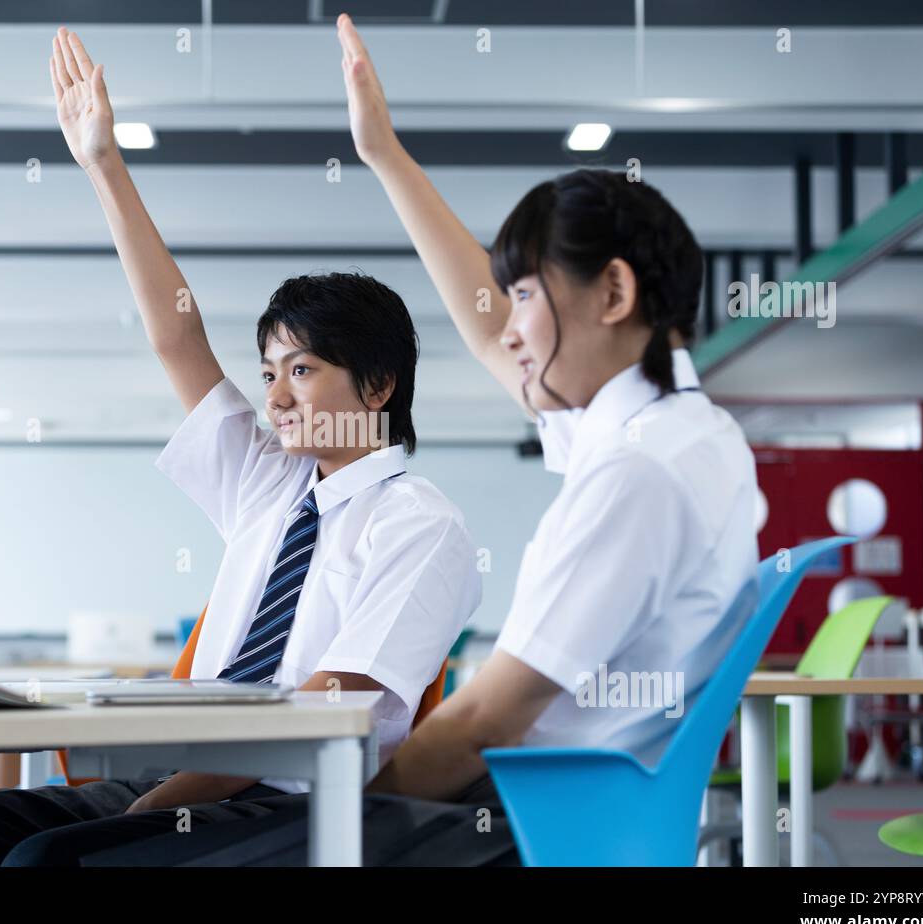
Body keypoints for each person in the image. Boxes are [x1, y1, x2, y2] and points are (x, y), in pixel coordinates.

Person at [49, 12, 761, 867]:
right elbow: (485, 322)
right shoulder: (671, 434)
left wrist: (330, 823)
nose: (513, 332)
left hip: (522, 818)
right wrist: (382, 151)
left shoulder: (634, 474)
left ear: (613, 293)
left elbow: (481, 722)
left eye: (530, 296)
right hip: (523, 801)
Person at [0, 26, 481, 867]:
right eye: (268, 373)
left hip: (284, 810)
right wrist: (103, 165)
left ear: (379, 385)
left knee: (44, 862)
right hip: (170, 780)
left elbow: (329, 714)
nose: (277, 396)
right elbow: (176, 340)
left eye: (302, 369)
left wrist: (161, 796)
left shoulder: (420, 527)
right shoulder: (268, 486)